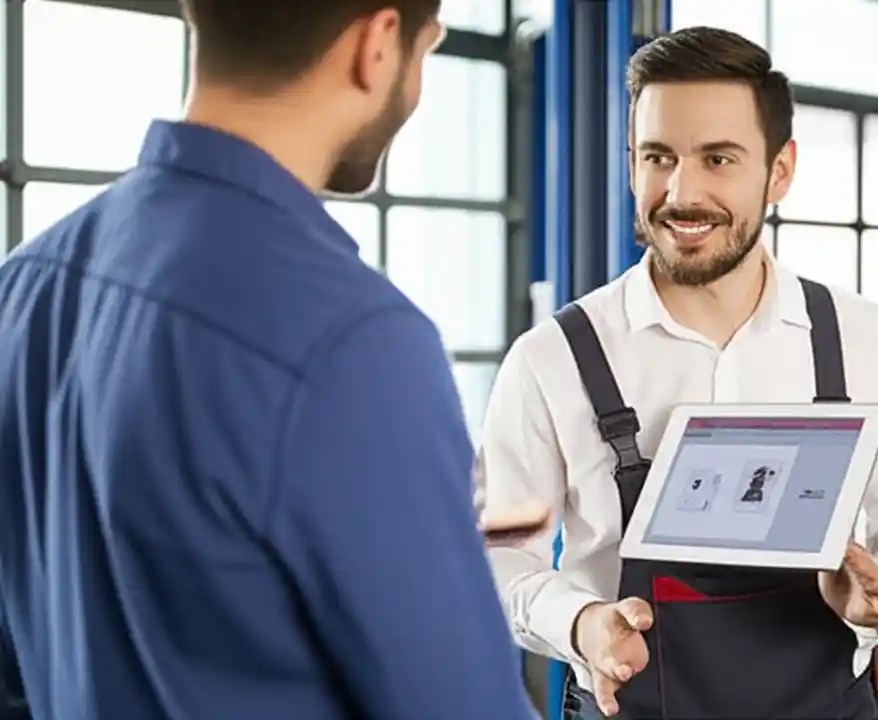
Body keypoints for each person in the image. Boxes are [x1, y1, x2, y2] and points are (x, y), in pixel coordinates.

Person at [0, 1, 535, 718]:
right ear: (377, 45)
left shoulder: (27, 282)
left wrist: (402, 530)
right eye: (425, 51)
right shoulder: (356, 339)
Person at [476, 26, 878, 720]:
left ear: (780, 171)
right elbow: (494, 558)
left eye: (718, 159)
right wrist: (580, 622)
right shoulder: (552, 357)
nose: (682, 192)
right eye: (658, 157)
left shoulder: (867, 342)